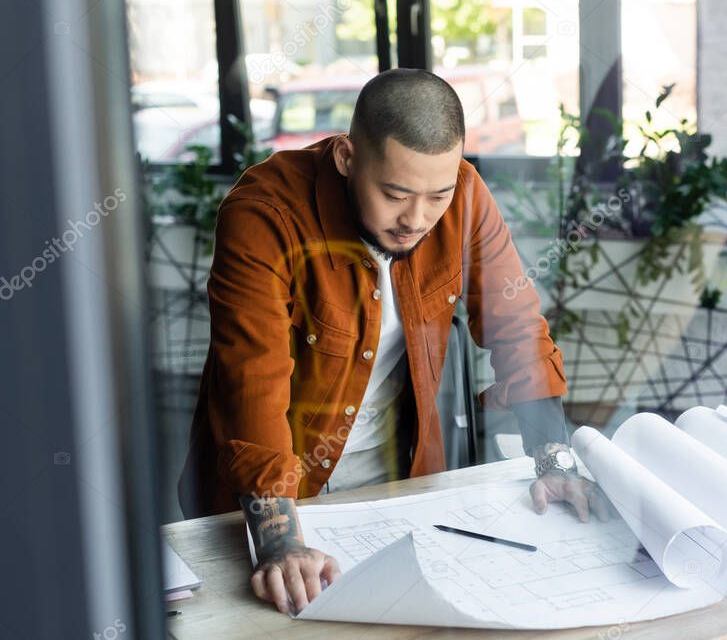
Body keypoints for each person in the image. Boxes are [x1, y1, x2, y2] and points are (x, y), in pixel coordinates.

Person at [178, 68, 609, 615]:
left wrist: (556, 461)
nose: (417, 220)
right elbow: (252, 380)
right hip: (268, 496)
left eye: (437, 196)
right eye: (395, 194)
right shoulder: (264, 213)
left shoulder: (466, 199)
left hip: (397, 486)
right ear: (346, 158)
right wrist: (281, 540)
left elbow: (517, 326)